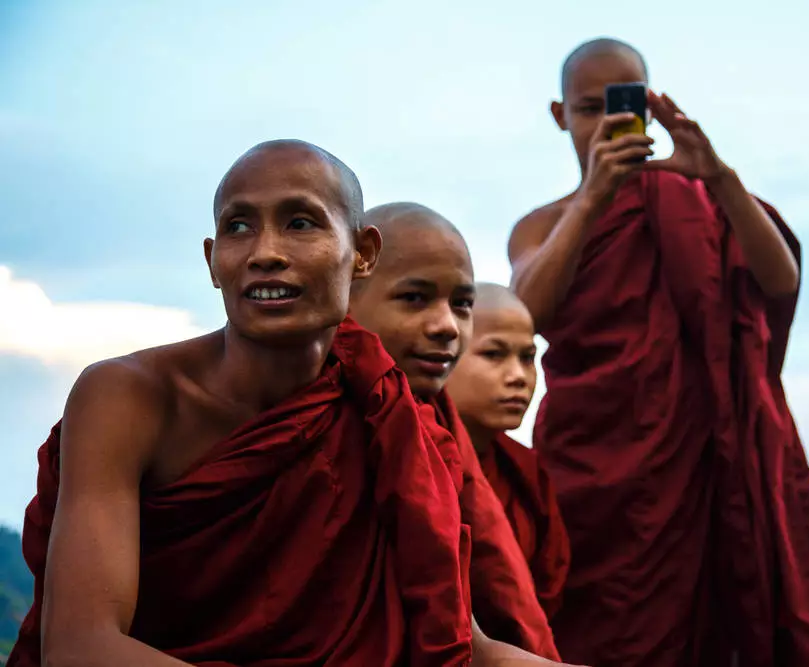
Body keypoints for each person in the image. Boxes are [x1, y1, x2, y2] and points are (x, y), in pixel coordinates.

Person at [9, 140, 479, 667]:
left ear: (364, 253)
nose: (265, 253)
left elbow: (465, 645)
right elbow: (81, 648)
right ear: (213, 263)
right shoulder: (130, 397)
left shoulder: (388, 418)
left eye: (301, 223)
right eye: (238, 227)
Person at [507, 38, 809, 666]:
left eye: (622, 105)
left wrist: (720, 177)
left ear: (652, 108)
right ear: (560, 116)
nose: (605, 124)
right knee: (575, 626)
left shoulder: (698, 199)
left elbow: (780, 280)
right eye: (588, 109)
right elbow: (529, 309)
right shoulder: (543, 222)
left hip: (698, 460)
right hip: (587, 466)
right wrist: (591, 202)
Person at [349, 203, 568, 664]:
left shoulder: (438, 439)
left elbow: (475, 630)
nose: (446, 326)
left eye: (462, 305)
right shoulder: (314, 422)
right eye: (413, 298)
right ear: (346, 292)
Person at [447, 282, 570, 620]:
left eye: (527, 357)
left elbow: (545, 592)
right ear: (445, 352)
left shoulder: (525, 471)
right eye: (494, 354)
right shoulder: (414, 459)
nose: (518, 377)